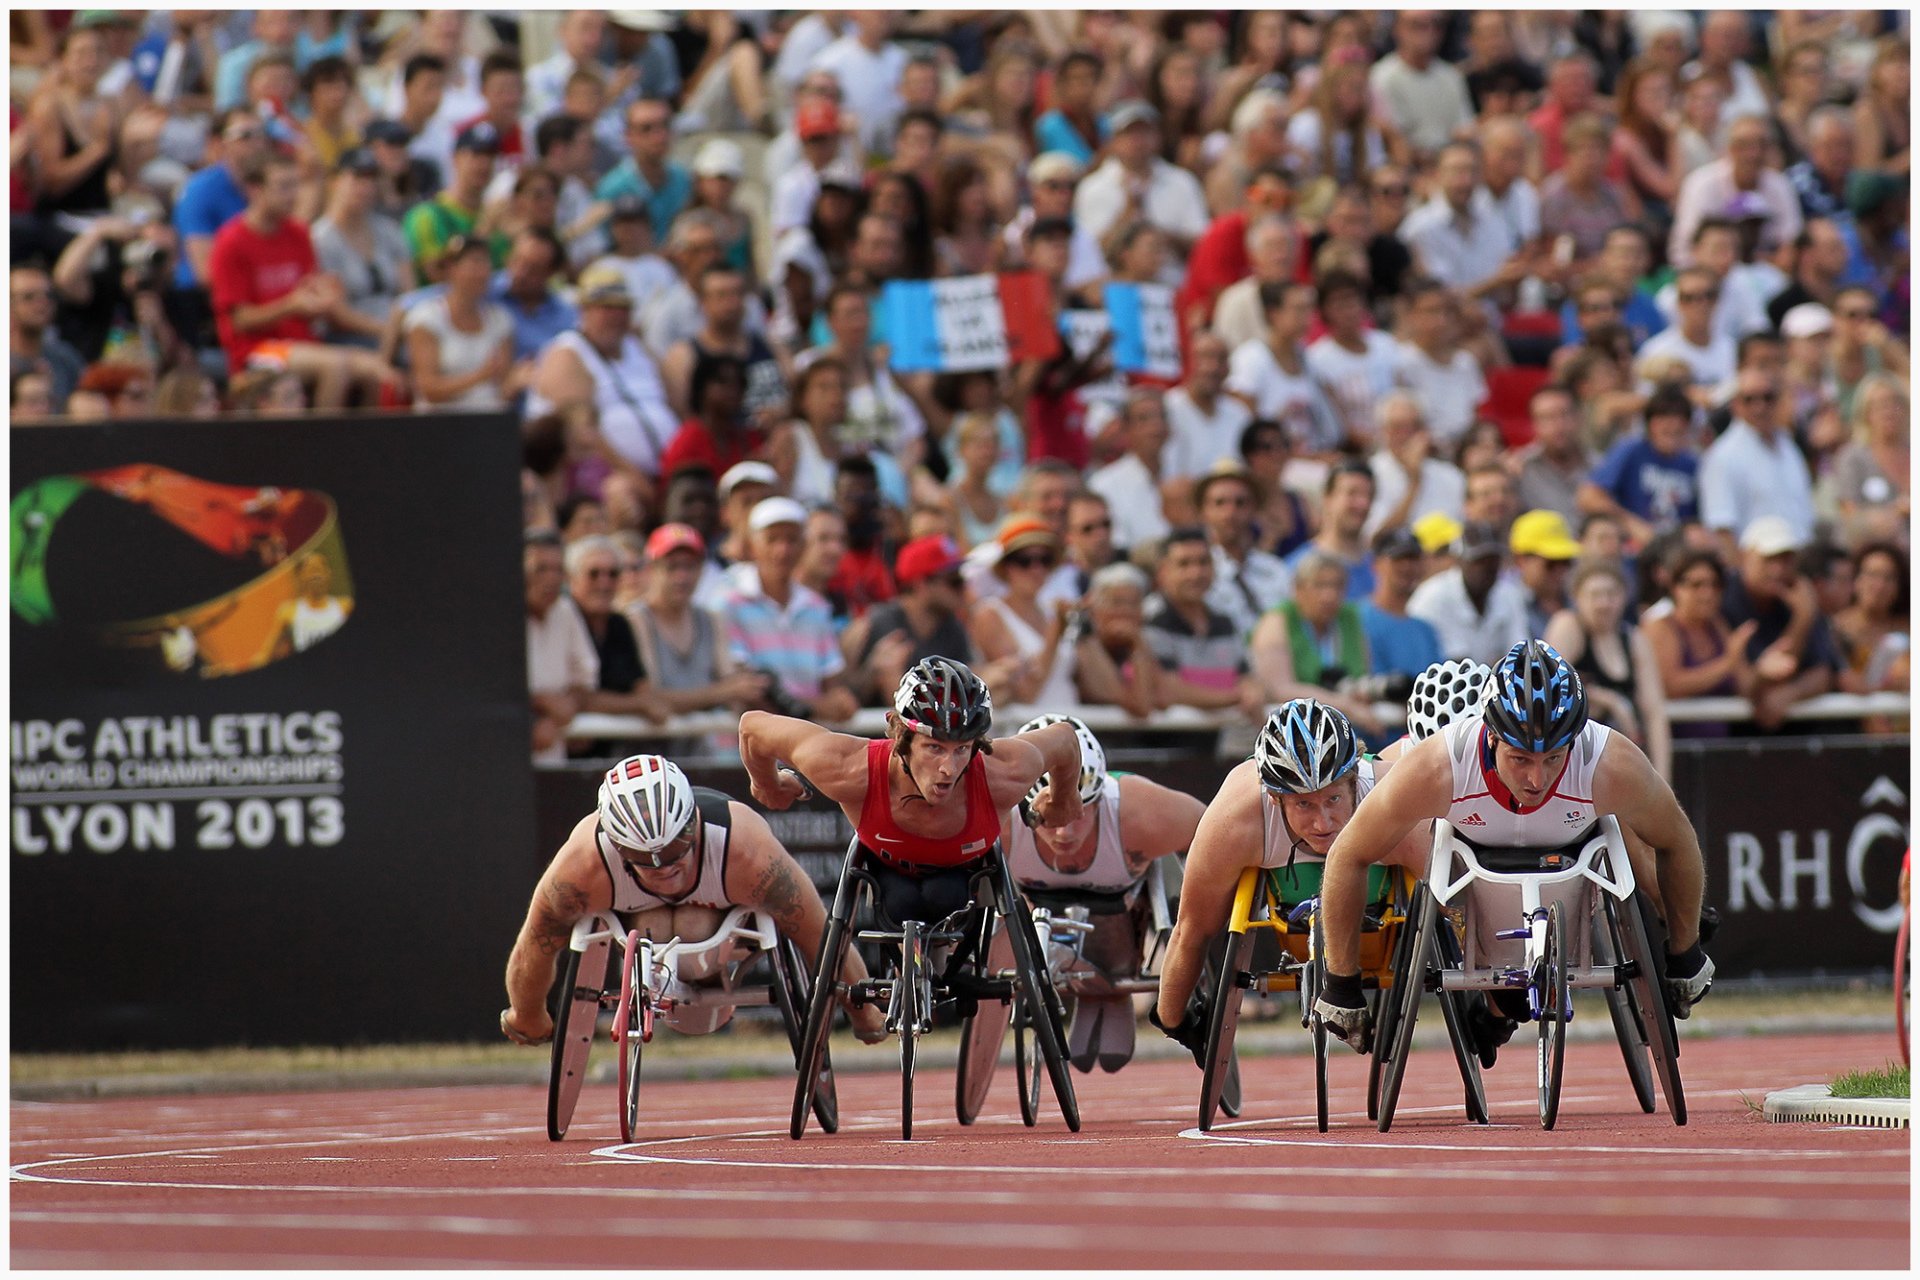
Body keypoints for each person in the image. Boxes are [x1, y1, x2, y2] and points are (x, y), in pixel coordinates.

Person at [1312, 641, 1715, 1058]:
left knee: (1627, 832)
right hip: (1478, 882)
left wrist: (1684, 952)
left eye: (1555, 758)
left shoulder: (1610, 761)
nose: (1537, 779)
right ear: (1489, 734)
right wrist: (1341, 984)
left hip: (1573, 863)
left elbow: (1676, 839)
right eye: (1520, 758)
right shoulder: (1439, 765)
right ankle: (1497, 1004)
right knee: (1508, 995)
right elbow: (1349, 854)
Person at [500, 754, 885, 1046]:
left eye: (674, 850)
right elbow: (537, 940)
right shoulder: (583, 865)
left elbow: (818, 933)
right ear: (617, 848)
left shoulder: (744, 849)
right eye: (642, 860)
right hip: (640, 932)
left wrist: (864, 1011)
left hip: (719, 934)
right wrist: (529, 1015)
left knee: (693, 925)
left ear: (692, 824)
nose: (663, 867)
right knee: (660, 923)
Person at [1150, 700, 1429, 1062]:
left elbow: (1459, 901)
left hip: (1378, 903)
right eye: (1304, 805)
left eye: (1333, 799)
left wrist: (1489, 1004)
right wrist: (1174, 1020)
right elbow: (1192, 929)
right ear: (1275, 798)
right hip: (1288, 903)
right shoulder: (1235, 820)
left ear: (1354, 781)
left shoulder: (1392, 795)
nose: (1323, 822)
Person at [740, 657, 1086, 935]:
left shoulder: (1003, 772)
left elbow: (1065, 739)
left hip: (965, 877)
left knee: (944, 895)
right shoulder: (848, 767)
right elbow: (753, 727)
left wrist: (1063, 800)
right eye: (934, 748)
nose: (949, 768)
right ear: (901, 736)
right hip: (887, 872)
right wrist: (768, 784)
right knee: (904, 900)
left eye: (962, 749)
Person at [1007, 714, 1207, 1070]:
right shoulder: (1002, 818)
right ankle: (1098, 989)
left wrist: (1192, 920)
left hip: (1122, 914)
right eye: (1049, 816)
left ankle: (1111, 987)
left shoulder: (1139, 810)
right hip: (1035, 913)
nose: (1065, 833)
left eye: (1079, 812)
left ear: (1101, 798)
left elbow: (1211, 834)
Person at [208, 153, 399, 407]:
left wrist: (322, 300)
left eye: (296, 185)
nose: (293, 195)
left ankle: (364, 443)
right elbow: (240, 320)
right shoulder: (232, 242)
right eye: (284, 187)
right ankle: (319, 443)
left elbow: (313, 297)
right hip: (255, 351)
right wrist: (291, 305)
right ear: (255, 190)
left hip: (303, 343)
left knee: (378, 371)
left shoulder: (298, 234)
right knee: (337, 366)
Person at [526, 265, 678, 480]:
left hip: (666, 472)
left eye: (623, 308)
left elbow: (678, 407)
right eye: (606, 308)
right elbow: (584, 434)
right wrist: (635, 478)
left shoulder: (641, 350)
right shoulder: (567, 353)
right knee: (621, 496)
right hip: (605, 476)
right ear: (584, 310)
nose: (616, 316)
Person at [724, 496, 860, 723]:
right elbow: (751, 691)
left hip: (803, 749)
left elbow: (832, 686)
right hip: (749, 749)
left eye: (791, 540)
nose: (783, 550)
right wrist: (820, 707)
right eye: (772, 539)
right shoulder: (729, 604)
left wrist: (837, 702)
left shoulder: (817, 607)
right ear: (752, 546)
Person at [627, 522, 769, 717]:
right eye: (672, 566)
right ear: (651, 569)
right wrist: (723, 692)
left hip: (700, 745)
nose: (682, 576)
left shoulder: (710, 619)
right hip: (645, 746)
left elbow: (733, 688)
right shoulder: (636, 619)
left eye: (690, 566)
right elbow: (650, 697)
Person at [1546, 559, 1672, 779]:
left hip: (1622, 760)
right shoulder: (1568, 625)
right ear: (1577, 598)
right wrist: (1609, 701)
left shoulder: (1633, 639)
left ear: (1624, 597)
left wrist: (1661, 778)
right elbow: (1549, 687)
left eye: (1611, 594)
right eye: (1594, 595)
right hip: (1574, 763)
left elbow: (1655, 713)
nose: (1604, 603)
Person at [1249, 551, 1384, 739]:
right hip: (1281, 737)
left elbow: (1363, 676)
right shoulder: (1277, 621)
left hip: (1338, 736)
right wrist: (1343, 705)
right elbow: (1279, 688)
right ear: (1298, 589)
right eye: (1320, 585)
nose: (1329, 595)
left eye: (1337, 586)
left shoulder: (1350, 618)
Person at [969, 519, 1080, 709]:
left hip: (1069, 724)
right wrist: (1056, 630)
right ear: (1006, 566)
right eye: (1024, 561)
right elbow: (1026, 692)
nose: (1036, 569)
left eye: (1045, 560)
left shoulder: (1053, 611)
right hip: (1027, 733)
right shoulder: (990, 614)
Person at [405, 235, 519, 411]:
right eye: (475, 263)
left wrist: (519, 381)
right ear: (451, 268)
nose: (483, 272)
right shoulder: (425, 318)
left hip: (491, 420)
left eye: (486, 263)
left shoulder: (500, 319)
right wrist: (480, 376)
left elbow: (503, 387)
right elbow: (428, 389)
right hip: (440, 423)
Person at [1579, 388, 1701, 547]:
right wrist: (1631, 524)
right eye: (1664, 419)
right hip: (1634, 547)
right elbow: (1588, 497)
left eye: (1680, 421)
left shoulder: (1693, 463)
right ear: (1650, 424)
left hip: (1677, 550)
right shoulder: (1631, 450)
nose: (1672, 426)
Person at [1408, 520, 1532, 668]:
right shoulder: (1432, 597)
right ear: (1460, 561)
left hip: (1495, 687)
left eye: (1492, 560)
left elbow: (1522, 659)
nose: (1487, 568)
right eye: (1479, 561)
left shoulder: (1509, 594)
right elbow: (1452, 665)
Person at [1359, 527, 1444, 686]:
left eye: (1413, 559)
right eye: (1398, 558)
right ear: (1376, 564)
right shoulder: (1356, 618)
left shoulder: (1425, 630)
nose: (1407, 566)